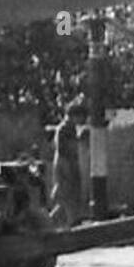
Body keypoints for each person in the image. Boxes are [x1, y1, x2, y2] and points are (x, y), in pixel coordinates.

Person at [50, 95, 88, 227]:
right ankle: (72, 223)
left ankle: (54, 222)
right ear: (74, 115)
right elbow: (63, 151)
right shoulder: (64, 129)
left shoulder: (70, 128)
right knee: (68, 198)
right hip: (65, 165)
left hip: (68, 164)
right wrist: (69, 170)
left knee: (66, 200)